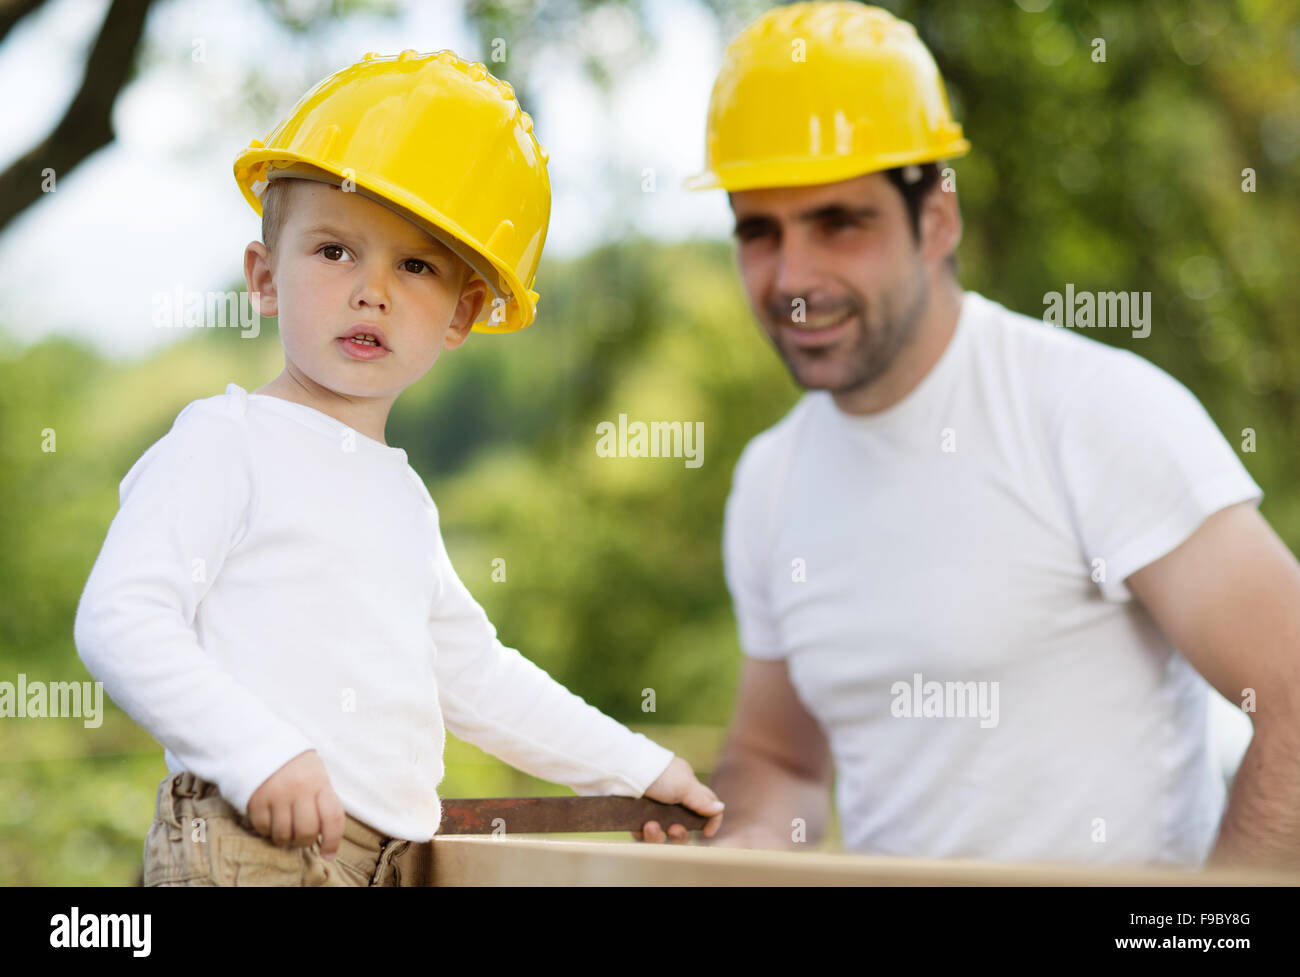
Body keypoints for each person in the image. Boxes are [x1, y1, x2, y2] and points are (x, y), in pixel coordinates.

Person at [74, 49, 723, 887]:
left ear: (460, 314)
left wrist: (634, 768)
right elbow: (120, 617)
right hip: (253, 846)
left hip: (391, 863)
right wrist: (257, 753)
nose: (371, 289)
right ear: (265, 277)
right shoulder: (224, 442)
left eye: (414, 265)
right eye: (336, 251)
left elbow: (476, 677)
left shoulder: (403, 500)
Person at [677, 2, 1300, 870]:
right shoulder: (772, 479)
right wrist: (743, 843)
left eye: (838, 223)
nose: (792, 279)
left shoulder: (1090, 411)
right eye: (759, 232)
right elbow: (780, 761)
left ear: (937, 219)